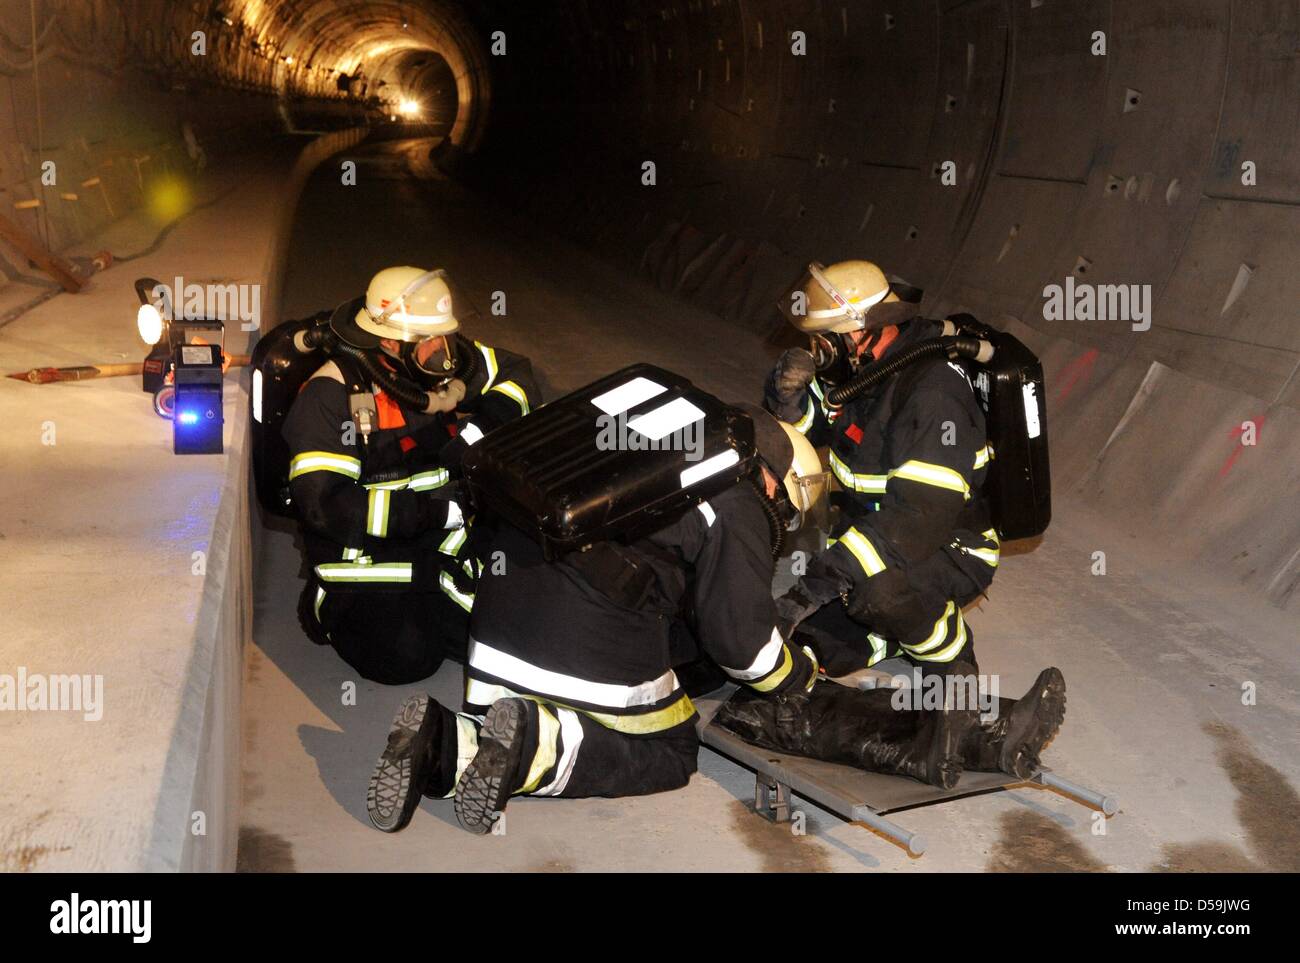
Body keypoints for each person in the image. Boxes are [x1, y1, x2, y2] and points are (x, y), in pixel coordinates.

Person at [365, 405, 838, 834]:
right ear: (775, 478)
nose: (781, 514)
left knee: (507, 727)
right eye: (785, 504)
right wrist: (797, 674)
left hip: (494, 628)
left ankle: (442, 742)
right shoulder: (737, 497)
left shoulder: (648, 437)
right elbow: (742, 645)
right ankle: (536, 743)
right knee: (672, 749)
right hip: (574, 636)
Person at [763, 258, 1064, 778]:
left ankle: (954, 665)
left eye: (824, 340)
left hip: (948, 547)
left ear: (861, 333)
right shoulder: (860, 373)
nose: (819, 352)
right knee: (803, 652)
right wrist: (786, 397)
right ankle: (891, 639)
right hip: (874, 537)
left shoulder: (933, 393)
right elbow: (815, 427)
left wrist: (815, 585)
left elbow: (917, 520)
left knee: (875, 590)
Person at [282, 266, 538, 684]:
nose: (443, 352)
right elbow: (325, 506)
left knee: (521, 609)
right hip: (366, 556)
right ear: (389, 341)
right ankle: (322, 604)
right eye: (428, 342)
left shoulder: (443, 364)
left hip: (441, 536)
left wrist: (480, 427)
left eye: (446, 337)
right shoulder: (330, 396)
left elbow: (517, 374)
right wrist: (436, 514)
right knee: (407, 657)